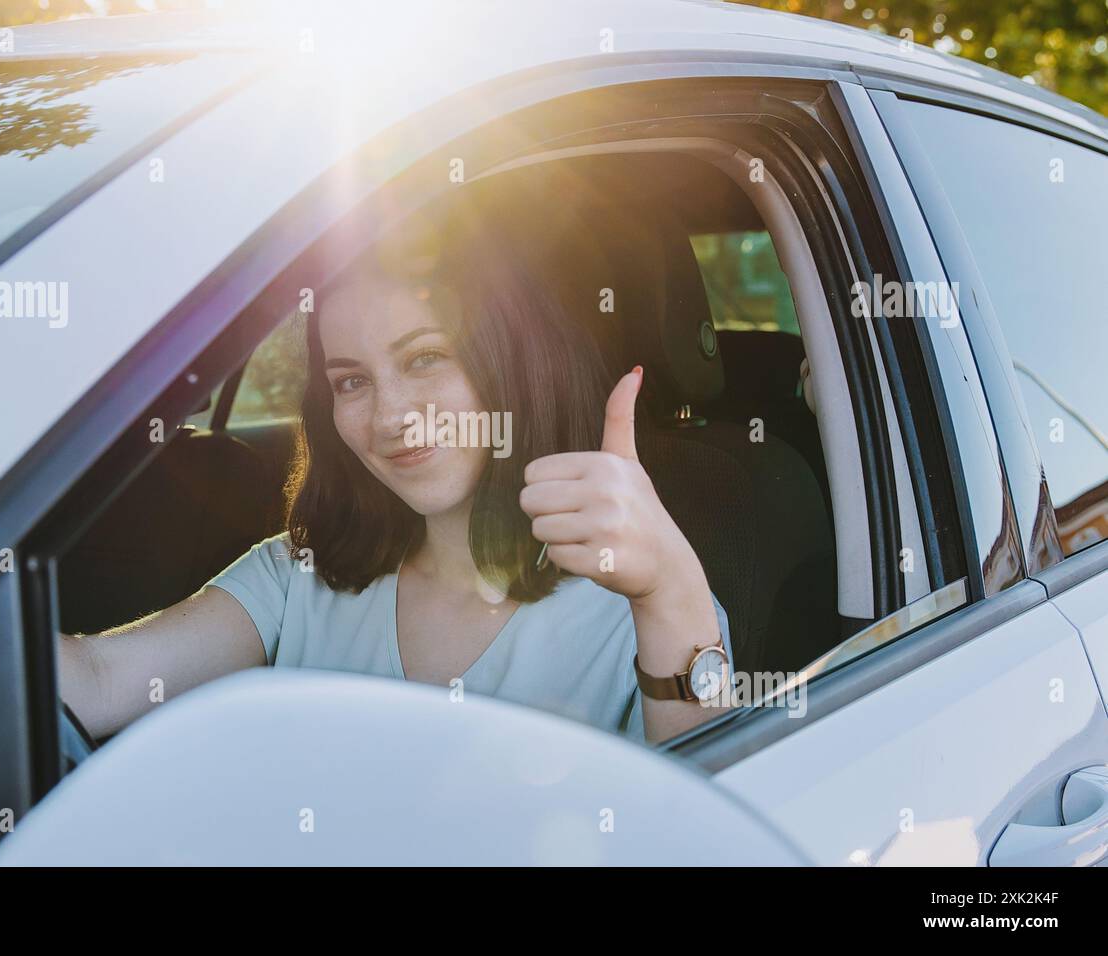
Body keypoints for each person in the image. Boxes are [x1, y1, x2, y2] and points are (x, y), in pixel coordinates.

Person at [59, 200, 734, 746]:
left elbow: (710, 833)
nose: (390, 417)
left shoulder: (646, 612)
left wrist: (671, 590)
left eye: (424, 358)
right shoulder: (297, 578)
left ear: (512, 363)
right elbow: (96, 678)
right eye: (351, 381)